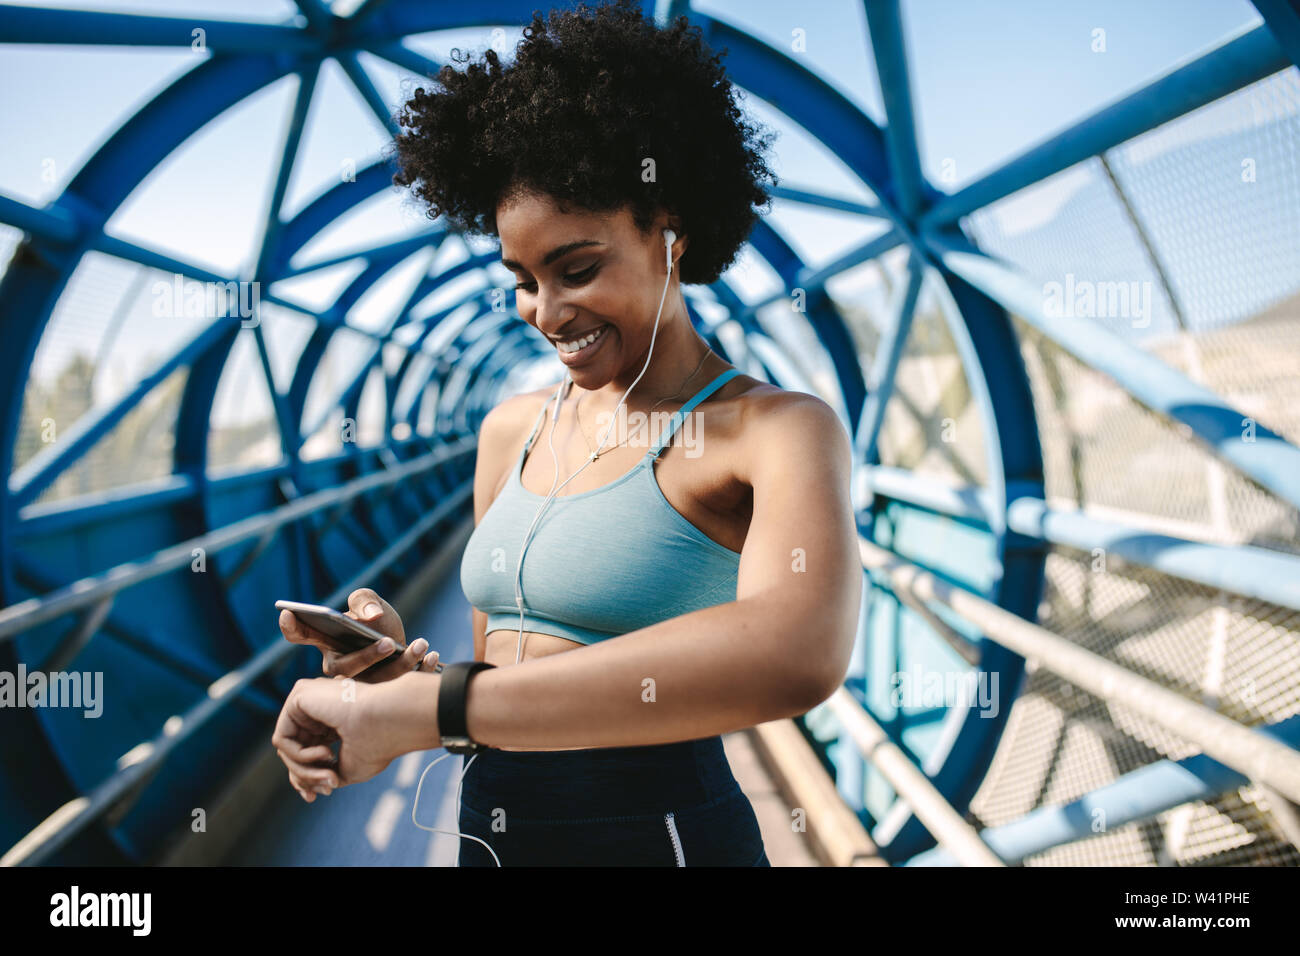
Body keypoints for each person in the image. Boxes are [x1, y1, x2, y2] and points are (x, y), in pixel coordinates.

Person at [271, 0, 862, 866]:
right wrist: (404, 681)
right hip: (493, 830)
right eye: (522, 278)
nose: (546, 313)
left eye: (578, 269)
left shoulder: (771, 430)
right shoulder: (511, 430)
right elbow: (501, 687)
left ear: (672, 235)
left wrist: (433, 712)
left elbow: (796, 651)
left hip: (660, 839)